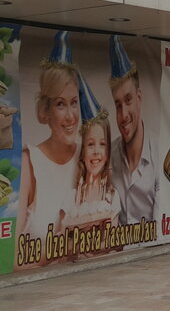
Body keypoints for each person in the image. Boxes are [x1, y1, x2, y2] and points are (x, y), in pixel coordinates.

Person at [16, 31, 81, 268]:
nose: (70, 116)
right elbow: (10, 260)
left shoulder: (91, 158)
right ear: (46, 111)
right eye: (60, 104)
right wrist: (56, 253)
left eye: (74, 102)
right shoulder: (30, 163)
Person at [58, 76, 122, 256]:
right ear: (83, 150)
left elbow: (112, 240)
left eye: (102, 144)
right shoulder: (72, 198)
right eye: (90, 144)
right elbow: (60, 244)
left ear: (108, 150)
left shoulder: (111, 196)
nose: (96, 152)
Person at [108, 36, 158, 224]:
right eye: (117, 105)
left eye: (128, 100)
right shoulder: (109, 155)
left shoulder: (159, 155)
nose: (123, 115)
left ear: (139, 97)